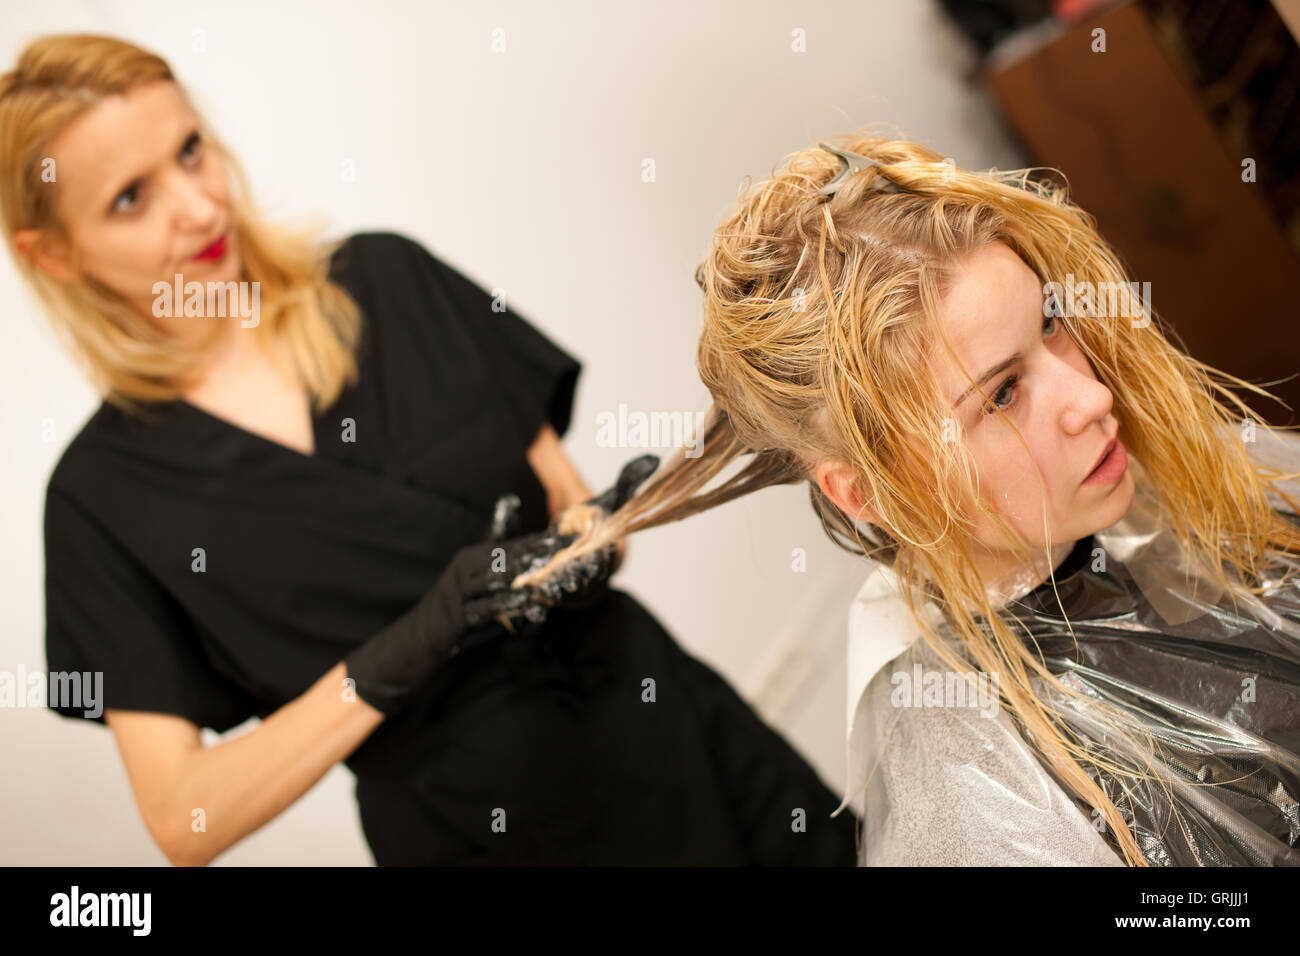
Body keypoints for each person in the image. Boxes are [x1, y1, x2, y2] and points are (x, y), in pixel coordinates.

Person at [5, 33, 859, 866]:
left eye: (191, 151)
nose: (197, 206)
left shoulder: (388, 280)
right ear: (55, 253)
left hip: (670, 732)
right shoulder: (100, 501)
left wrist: (597, 531)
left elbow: (570, 505)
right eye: (131, 198)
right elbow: (184, 818)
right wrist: (410, 643)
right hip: (474, 834)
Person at [517, 131, 1300, 866]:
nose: (1090, 397)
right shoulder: (979, 807)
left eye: (1052, 322)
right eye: (1001, 395)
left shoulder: (1194, 481)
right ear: (869, 493)